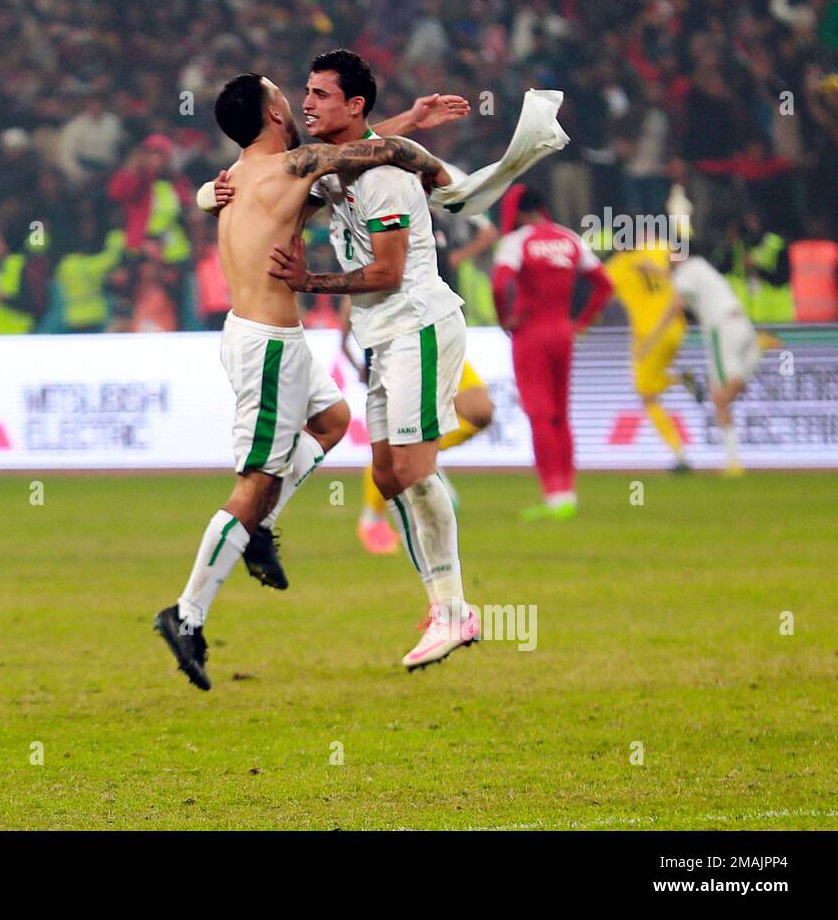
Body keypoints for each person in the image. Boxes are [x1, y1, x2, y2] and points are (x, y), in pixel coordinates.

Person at [153, 71, 450, 691]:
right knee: (255, 482)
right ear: (271, 113)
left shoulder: (253, 176)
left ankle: (256, 531)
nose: (295, 100)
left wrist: (406, 123)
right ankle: (186, 612)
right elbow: (374, 152)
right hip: (268, 347)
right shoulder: (294, 166)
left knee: (332, 422)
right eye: (284, 95)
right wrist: (431, 162)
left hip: (261, 334)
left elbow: (350, 154)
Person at [267, 49, 480, 671]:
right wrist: (410, 119)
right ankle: (445, 606)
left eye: (319, 94)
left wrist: (310, 282)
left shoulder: (385, 178)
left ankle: (451, 610)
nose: (305, 103)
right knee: (387, 476)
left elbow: (386, 271)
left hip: (419, 324)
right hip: (384, 337)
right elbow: (369, 143)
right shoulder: (350, 163)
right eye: (304, 92)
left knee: (411, 469)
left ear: (354, 105)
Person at [492, 187, 613, 520]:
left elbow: (500, 284)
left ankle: (553, 495)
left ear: (516, 213)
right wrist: (581, 322)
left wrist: (505, 319)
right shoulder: (569, 238)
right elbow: (604, 283)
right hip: (563, 331)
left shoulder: (517, 242)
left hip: (530, 333)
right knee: (561, 414)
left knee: (540, 414)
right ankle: (568, 495)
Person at [670, 254, 762, 476]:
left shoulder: (684, 273)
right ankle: (754, 353)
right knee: (727, 393)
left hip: (721, 329)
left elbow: (678, 303)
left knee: (719, 398)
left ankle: (733, 463)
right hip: (743, 326)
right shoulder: (703, 266)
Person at [605, 233, 690, 471]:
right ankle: (680, 379)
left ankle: (680, 455)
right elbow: (683, 262)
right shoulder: (660, 247)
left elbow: (601, 296)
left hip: (649, 337)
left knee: (647, 395)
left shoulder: (616, 267)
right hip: (676, 327)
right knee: (651, 387)